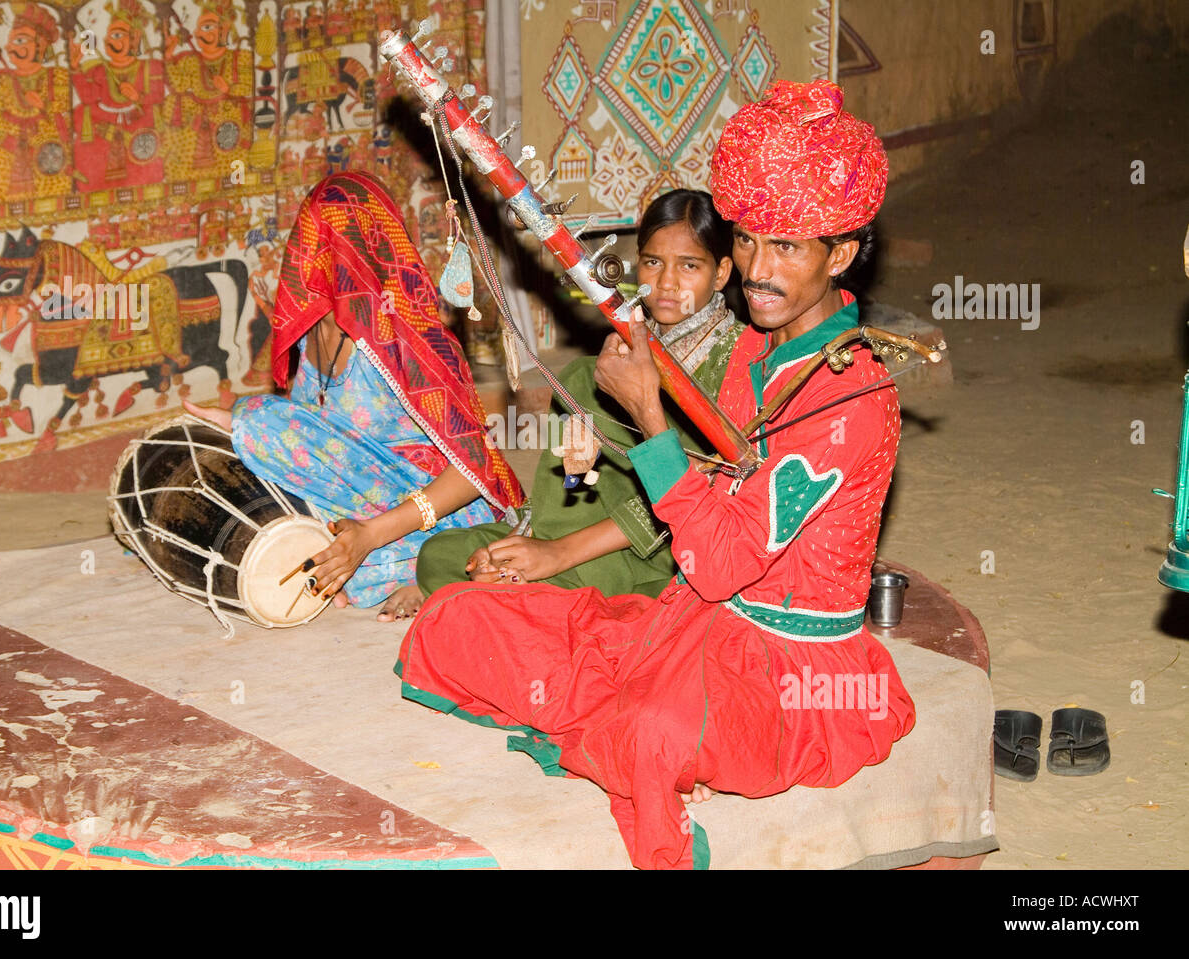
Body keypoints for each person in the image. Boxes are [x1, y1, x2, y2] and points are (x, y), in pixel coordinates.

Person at [395, 80, 916, 869]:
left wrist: (650, 420)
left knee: (645, 734)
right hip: (695, 622)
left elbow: (726, 559)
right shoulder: (754, 350)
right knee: (459, 618)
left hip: (801, 675)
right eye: (747, 241)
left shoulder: (850, 396)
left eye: (788, 247)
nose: (756, 269)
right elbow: (708, 523)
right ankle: (686, 726)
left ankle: (693, 736)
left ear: (840, 253)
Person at [185, 172, 524, 621]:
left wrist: (368, 535)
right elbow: (320, 446)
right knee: (260, 476)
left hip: (440, 511)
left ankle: (424, 568)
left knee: (262, 418)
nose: (320, 255)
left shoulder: (409, 338)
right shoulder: (308, 334)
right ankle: (391, 567)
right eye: (313, 240)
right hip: (359, 501)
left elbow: (472, 473)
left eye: (337, 241)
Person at [415, 188, 737, 599]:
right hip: (567, 535)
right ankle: (509, 598)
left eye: (690, 265)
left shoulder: (736, 365)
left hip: (651, 555)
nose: (667, 282)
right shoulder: (606, 362)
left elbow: (701, 494)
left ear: (722, 272)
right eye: (654, 262)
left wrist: (559, 554)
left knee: (527, 597)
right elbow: (563, 491)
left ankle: (512, 604)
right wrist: (523, 541)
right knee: (440, 555)